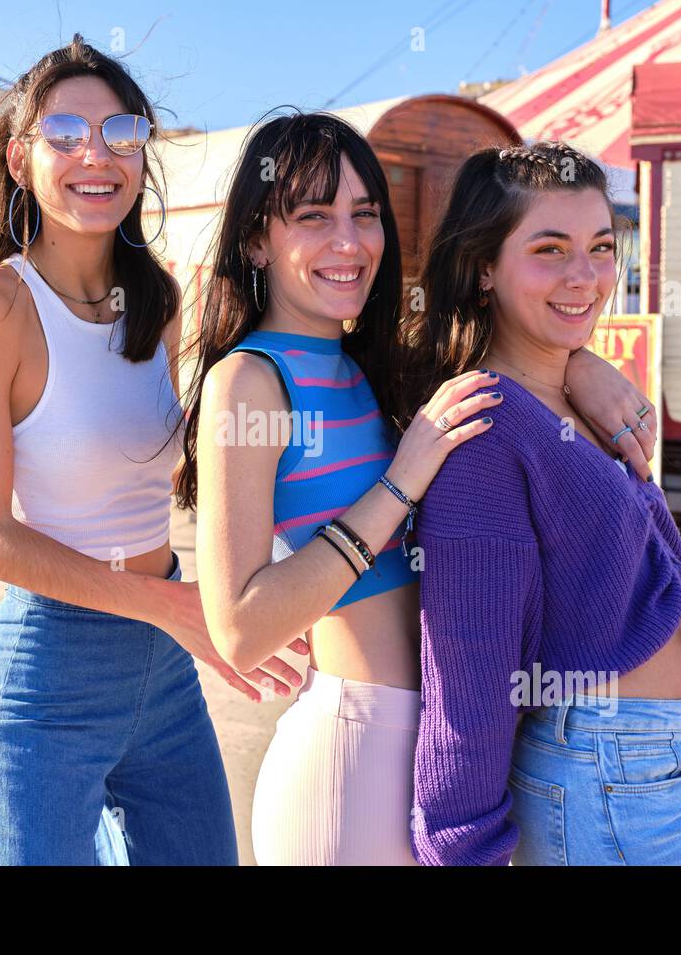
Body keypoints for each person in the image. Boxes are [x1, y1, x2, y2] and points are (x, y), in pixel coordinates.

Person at [175, 114, 656, 864]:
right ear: (257, 240)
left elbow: (506, 350)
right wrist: (400, 485)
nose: (349, 241)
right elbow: (239, 627)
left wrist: (584, 366)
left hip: (438, 748)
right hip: (352, 756)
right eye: (313, 217)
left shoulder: (375, 368)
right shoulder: (250, 380)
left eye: (364, 214)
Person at [0, 35, 299, 866]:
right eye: (65, 134)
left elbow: (164, 463)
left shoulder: (159, 298)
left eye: (121, 133)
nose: (95, 155)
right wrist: (175, 609)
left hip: (164, 675)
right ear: (22, 159)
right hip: (51, 676)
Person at [404, 141, 681, 866]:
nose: (584, 276)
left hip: (658, 770)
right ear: (485, 267)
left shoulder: (581, 401)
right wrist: (464, 853)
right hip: (603, 773)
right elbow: (469, 675)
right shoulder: (482, 432)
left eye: (599, 246)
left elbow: (666, 606)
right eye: (550, 249)